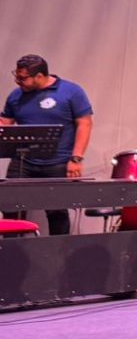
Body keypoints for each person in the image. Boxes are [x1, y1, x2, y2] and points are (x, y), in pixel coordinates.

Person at [2, 54, 92, 236]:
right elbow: (5, 122)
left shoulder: (71, 92)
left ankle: (59, 258)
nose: (18, 81)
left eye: (23, 78)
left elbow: (85, 123)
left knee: (56, 212)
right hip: (22, 162)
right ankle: (11, 254)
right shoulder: (16, 96)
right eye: (16, 76)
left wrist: (76, 158)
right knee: (11, 208)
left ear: (40, 76)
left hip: (57, 162)